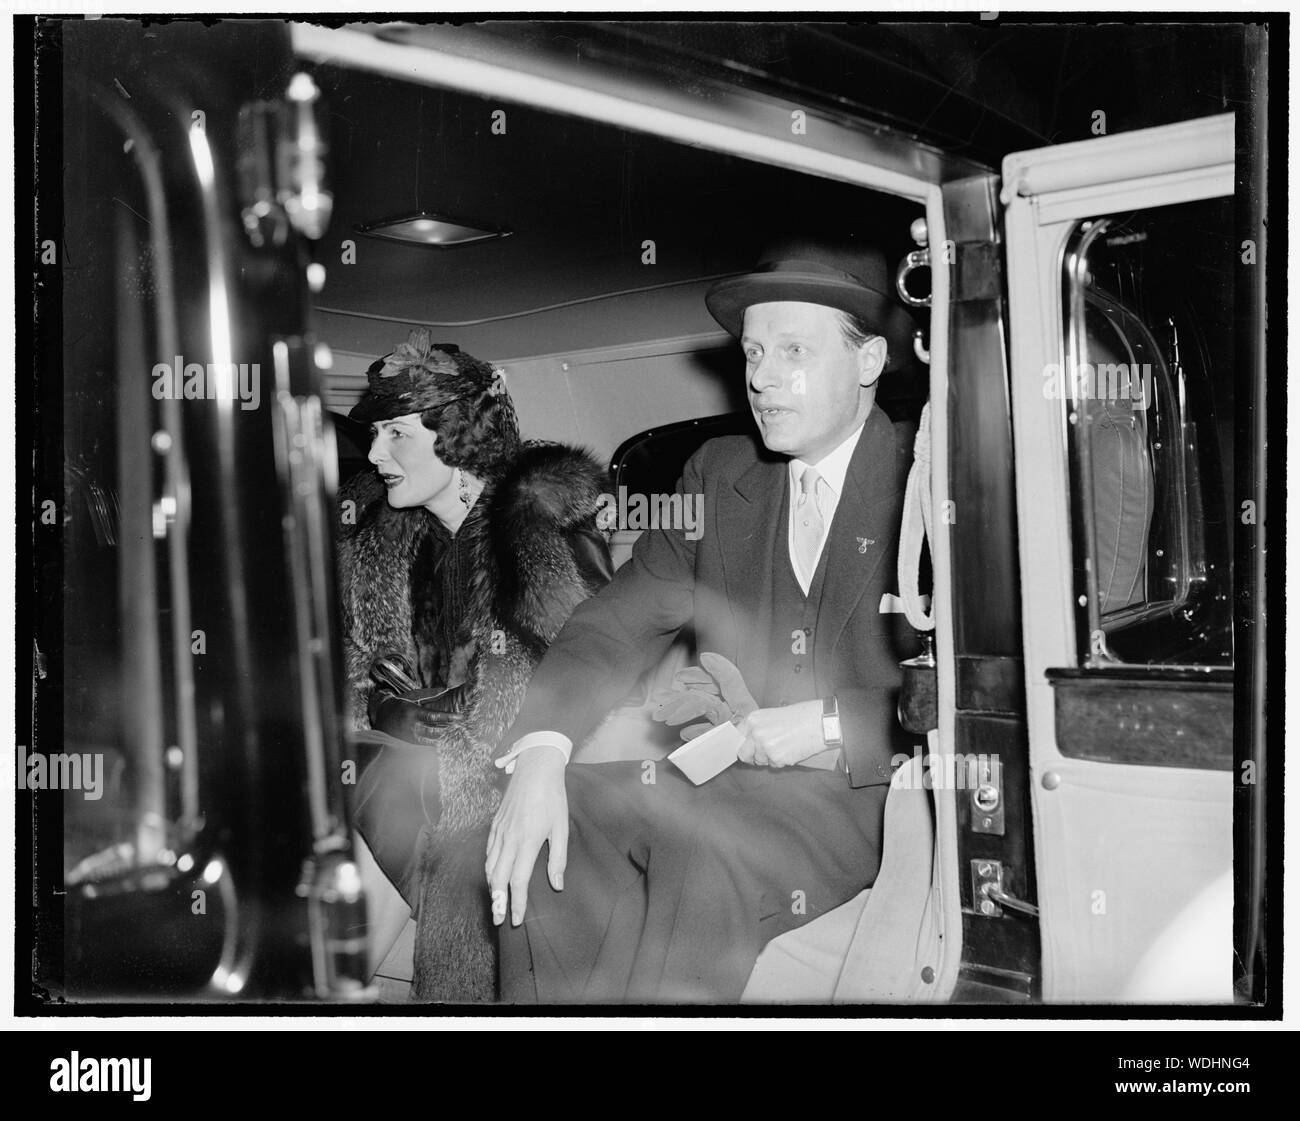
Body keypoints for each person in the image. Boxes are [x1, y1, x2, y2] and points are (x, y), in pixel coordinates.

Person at [484, 239, 920, 1003]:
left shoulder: (932, 477)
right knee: (563, 812)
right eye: (753, 352)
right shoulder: (719, 474)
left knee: (704, 843)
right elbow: (615, 622)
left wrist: (828, 721)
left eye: (793, 350)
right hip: (729, 777)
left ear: (869, 359)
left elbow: (981, 686)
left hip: (875, 794)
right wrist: (544, 750)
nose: (761, 377)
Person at [337, 328, 612, 1001]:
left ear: (456, 437)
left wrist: (467, 720)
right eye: (373, 435)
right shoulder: (381, 538)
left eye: (395, 434)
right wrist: (381, 704)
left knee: (429, 824)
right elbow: (350, 662)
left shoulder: (537, 531)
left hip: (515, 779)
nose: (374, 454)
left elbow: (589, 674)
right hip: (398, 773)